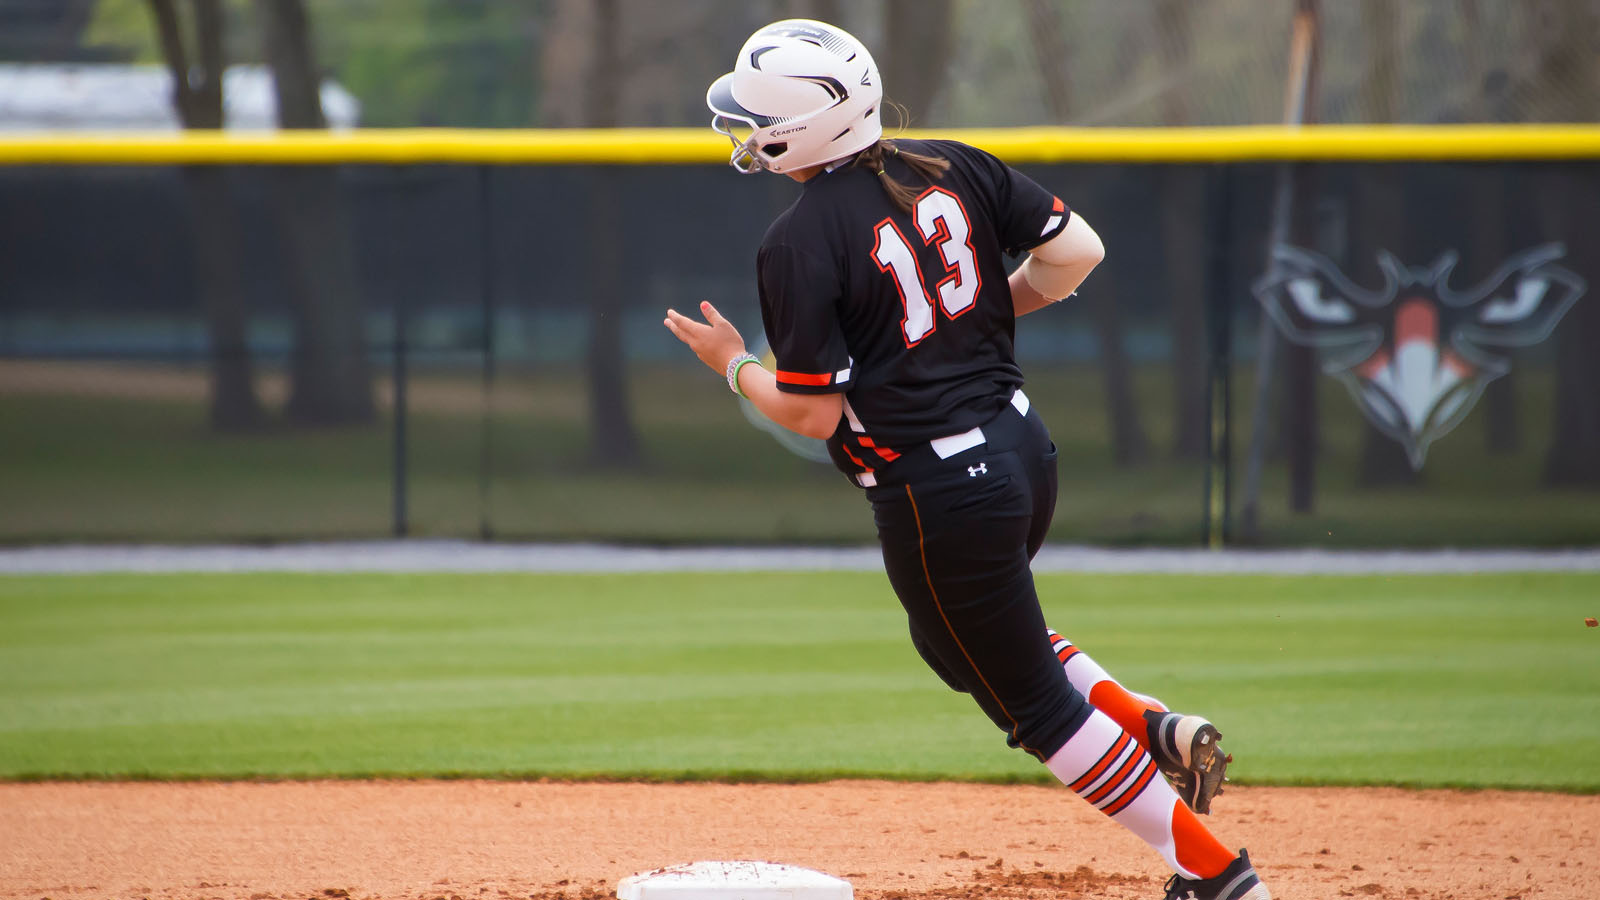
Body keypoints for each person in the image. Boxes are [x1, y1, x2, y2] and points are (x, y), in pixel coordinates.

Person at [664, 19, 1271, 900]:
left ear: (795, 129)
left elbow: (811, 408)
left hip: (941, 490)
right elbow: (1077, 253)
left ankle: (1216, 874)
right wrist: (988, 308)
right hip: (1024, 450)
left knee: (1033, 707)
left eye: (755, 116)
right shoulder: (954, 162)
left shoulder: (797, 238)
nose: (744, 131)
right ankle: (1154, 728)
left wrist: (732, 366)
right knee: (961, 652)